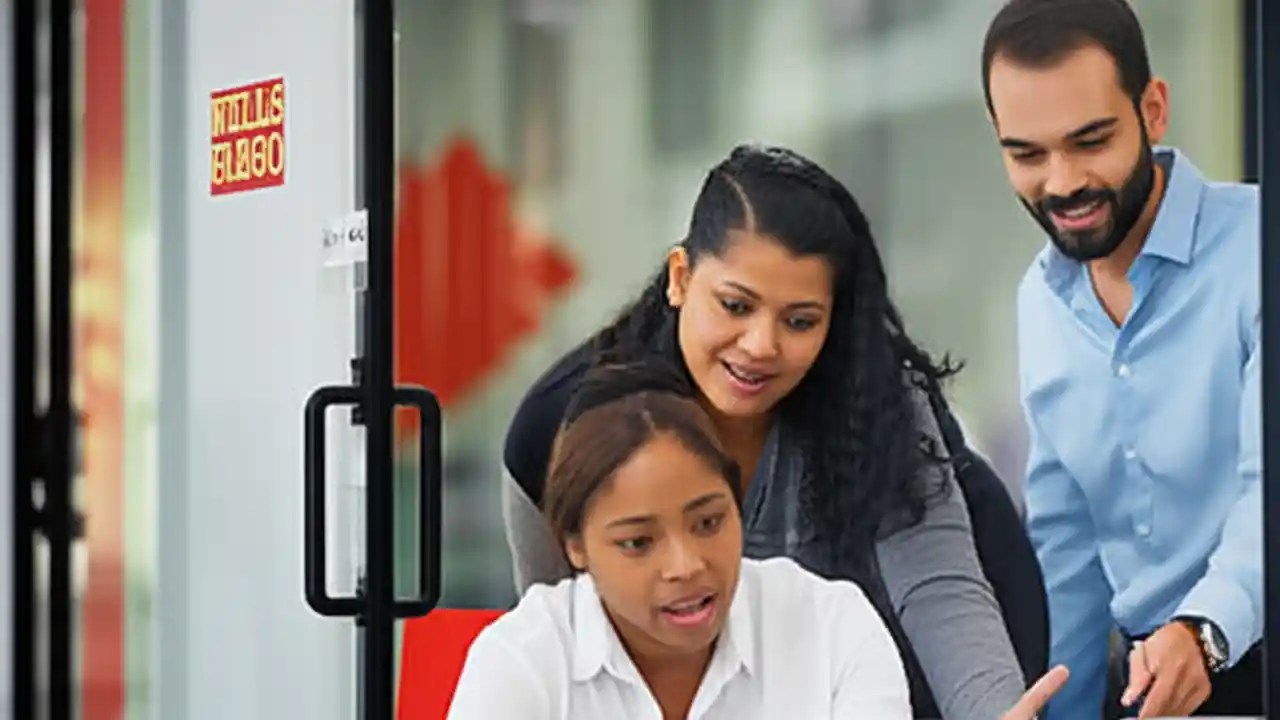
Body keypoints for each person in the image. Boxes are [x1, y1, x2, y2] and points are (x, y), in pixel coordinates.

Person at [502, 143, 1056, 718]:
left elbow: (938, 592)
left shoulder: (874, 401)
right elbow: (562, 635)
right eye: (736, 306)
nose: (761, 346)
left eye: (799, 321)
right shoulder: (564, 425)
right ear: (681, 277)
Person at [981, 0, 1264, 717]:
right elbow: (1067, 544)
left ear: (1154, 109)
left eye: (1091, 140)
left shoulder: (1260, 248)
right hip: (1148, 686)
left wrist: (1204, 631)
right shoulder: (1038, 304)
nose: (1063, 181)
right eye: (1027, 153)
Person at [450, 362, 913, 718]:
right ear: (576, 546)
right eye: (638, 543)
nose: (686, 565)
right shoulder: (523, 659)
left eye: (709, 523)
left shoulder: (832, 627)